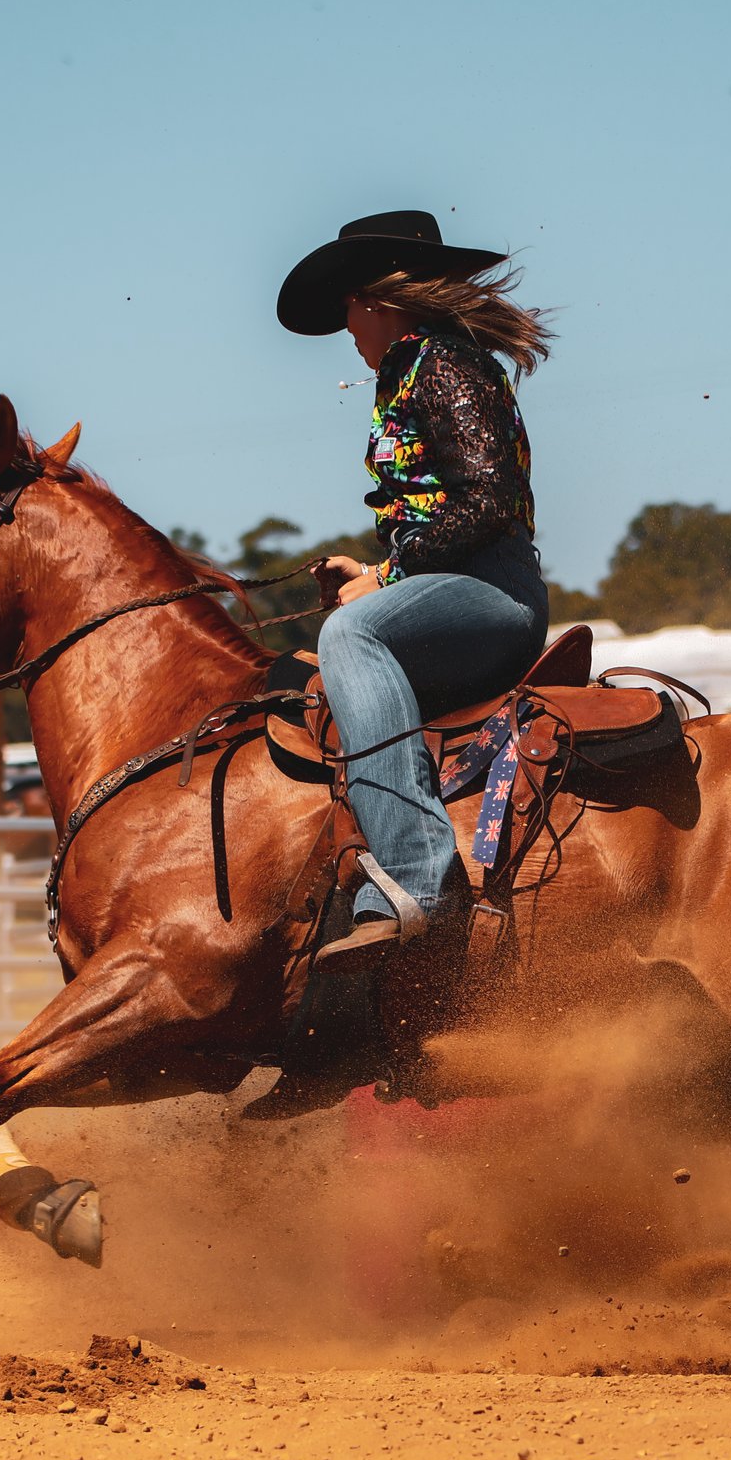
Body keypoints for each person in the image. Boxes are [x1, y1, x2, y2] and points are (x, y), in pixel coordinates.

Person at [276, 211, 552, 972]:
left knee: (348, 637)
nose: (346, 331)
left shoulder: (441, 364)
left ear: (376, 299)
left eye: (346, 311)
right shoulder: (415, 367)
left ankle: (417, 881)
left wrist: (385, 580)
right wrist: (367, 567)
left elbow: (489, 500)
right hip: (456, 587)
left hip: (494, 593)